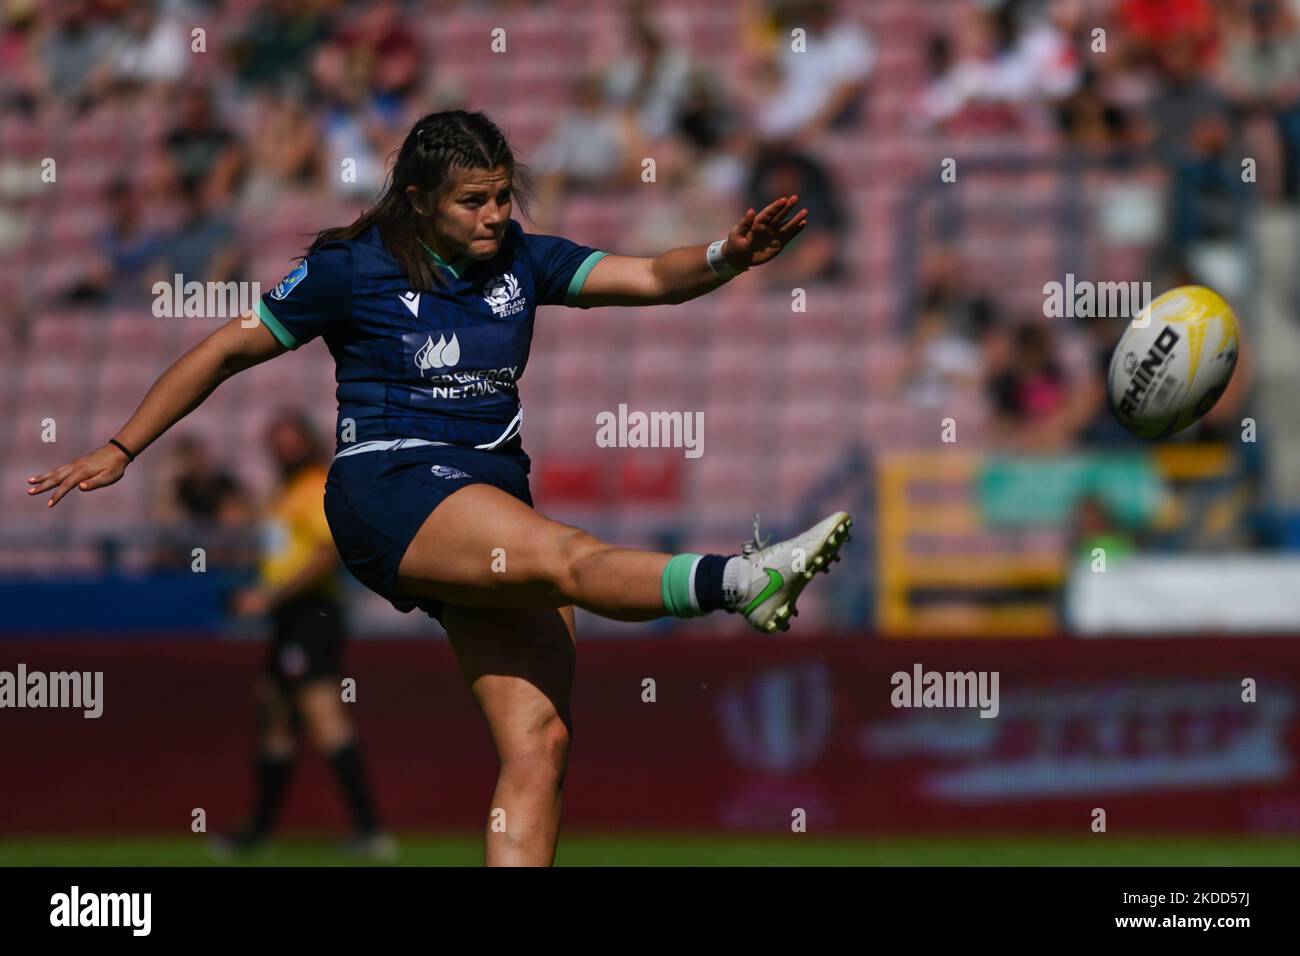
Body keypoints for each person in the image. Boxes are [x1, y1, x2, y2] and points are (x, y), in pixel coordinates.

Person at [27, 109, 852, 867]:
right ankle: (744, 578)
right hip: (388, 488)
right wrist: (122, 445)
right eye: (473, 201)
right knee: (569, 558)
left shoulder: (524, 258)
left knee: (541, 743)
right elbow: (224, 350)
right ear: (419, 200)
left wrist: (727, 257)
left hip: (485, 498)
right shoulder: (350, 270)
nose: (495, 215)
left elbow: (650, 279)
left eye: (501, 196)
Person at [217, 410, 391, 859]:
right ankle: (259, 830)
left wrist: (270, 597)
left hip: (312, 613)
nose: (283, 450)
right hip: (290, 616)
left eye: (291, 441)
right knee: (273, 709)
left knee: (321, 713)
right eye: (277, 443)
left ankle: (370, 830)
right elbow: (278, 549)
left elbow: (324, 551)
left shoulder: (314, 486)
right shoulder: (283, 495)